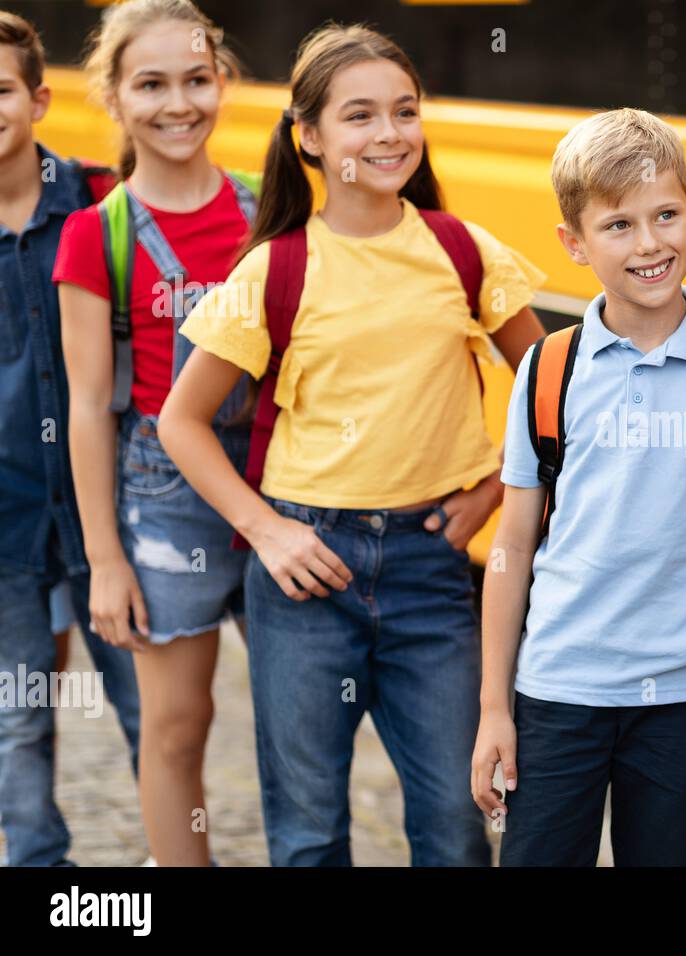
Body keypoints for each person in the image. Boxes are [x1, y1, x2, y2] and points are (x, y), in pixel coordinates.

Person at [159, 23, 546, 867]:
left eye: (404, 112)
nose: (387, 134)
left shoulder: (461, 250)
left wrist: (490, 493)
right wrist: (267, 530)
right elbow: (179, 423)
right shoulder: (275, 269)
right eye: (359, 116)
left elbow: (556, 401)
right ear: (309, 137)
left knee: (454, 820)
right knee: (307, 832)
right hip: (305, 573)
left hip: (429, 574)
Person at [470, 108, 686, 866]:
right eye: (618, 225)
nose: (650, 244)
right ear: (574, 245)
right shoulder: (548, 370)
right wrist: (496, 708)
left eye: (666, 215)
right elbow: (512, 547)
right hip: (557, 693)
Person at [55, 0, 258, 866]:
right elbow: (88, 405)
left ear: (222, 83)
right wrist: (106, 558)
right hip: (164, 504)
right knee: (178, 729)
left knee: (306, 716)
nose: (179, 104)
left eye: (197, 79)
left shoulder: (268, 214)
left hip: (279, 481)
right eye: (151, 84)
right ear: (112, 96)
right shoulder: (92, 235)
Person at [0, 9, 140, 867]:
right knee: (16, 714)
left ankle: (173, 848)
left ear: (38, 98)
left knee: (151, 708)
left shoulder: (99, 203)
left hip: (112, 512)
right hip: (6, 519)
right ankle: (38, 872)